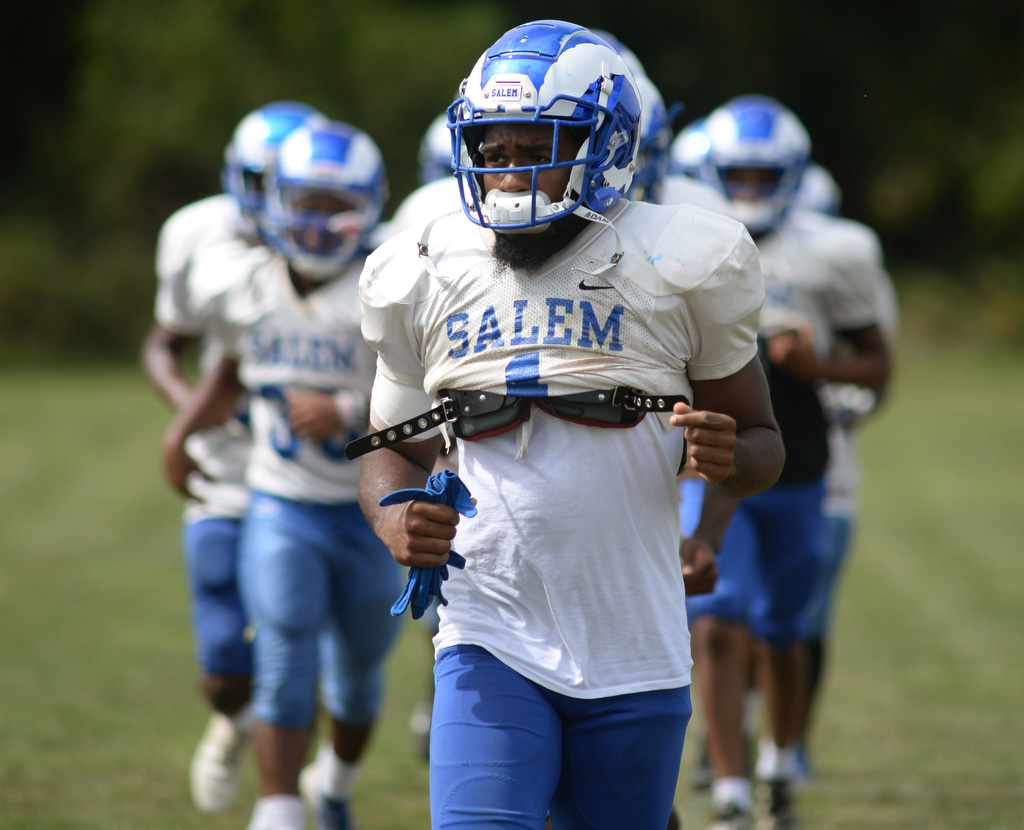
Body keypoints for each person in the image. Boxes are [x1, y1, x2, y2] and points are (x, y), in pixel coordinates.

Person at [353, 20, 785, 829]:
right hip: (488, 629)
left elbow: (763, 442)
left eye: (537, 146)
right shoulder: (426, 268)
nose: (509, 173)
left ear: (608, 144)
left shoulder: (680, 261)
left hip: (636, 643)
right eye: (493, 149)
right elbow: (393, 448)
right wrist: (392, 515)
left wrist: (729, 456)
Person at [162, 119, 402, 830]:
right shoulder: (242, 282)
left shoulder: (387, 284)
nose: (319, 220)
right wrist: (182, 429)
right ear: (274, 199)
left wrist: (347, 408)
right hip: (282, 502)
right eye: (306, 200)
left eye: (338, 204)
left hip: (369, 509)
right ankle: (277, 809)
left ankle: (333, 784)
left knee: (358, 675)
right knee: (284, 648)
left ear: (370, 204)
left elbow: (429, 394)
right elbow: (233, 368)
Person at [684, 95, 892, 830]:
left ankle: (778, 765)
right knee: (712, 618)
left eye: (760, 173)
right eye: (733, 172)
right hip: (712, 463)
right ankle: (733, 790)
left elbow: (878, 367)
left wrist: (816, 362)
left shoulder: (836, 251)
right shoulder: (686, 239)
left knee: (783, 631)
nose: (745, 186)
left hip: (801, 466)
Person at [141, 100, 324, 814]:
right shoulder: (196, 233)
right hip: (226, 464)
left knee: (296, 642)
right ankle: (232, 720)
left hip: (312, 474)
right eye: (262, 180)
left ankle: (291, 796)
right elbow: (168, 341)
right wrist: (187, 417)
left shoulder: (338, 238)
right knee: (224, 664)